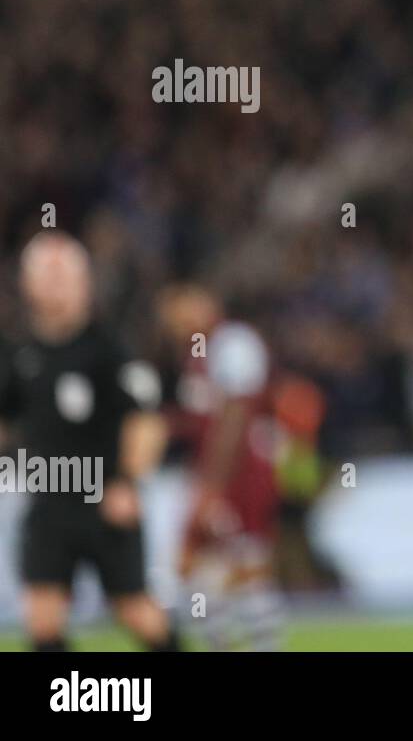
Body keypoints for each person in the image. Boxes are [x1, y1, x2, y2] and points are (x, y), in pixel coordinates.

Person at [0, 232, 177, 651]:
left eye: (65, 275)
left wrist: (127, 482)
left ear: (85, 283)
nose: (56, 284)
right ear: (27, 284)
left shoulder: (109, 350)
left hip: (105, 499)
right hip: (49, 501)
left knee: (134, 609)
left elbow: (146, 423)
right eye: (46, 274)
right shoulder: (20, 354)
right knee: (42, 615)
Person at [157, 284, 283, 650]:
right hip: (214, 475)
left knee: (246, 569)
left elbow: (235, 416)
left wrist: (212, 486)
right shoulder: (196, 355)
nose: (179, 322)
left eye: (185, 310)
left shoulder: (234, 341)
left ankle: (263, 645)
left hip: (241, 475)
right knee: (205, 576)